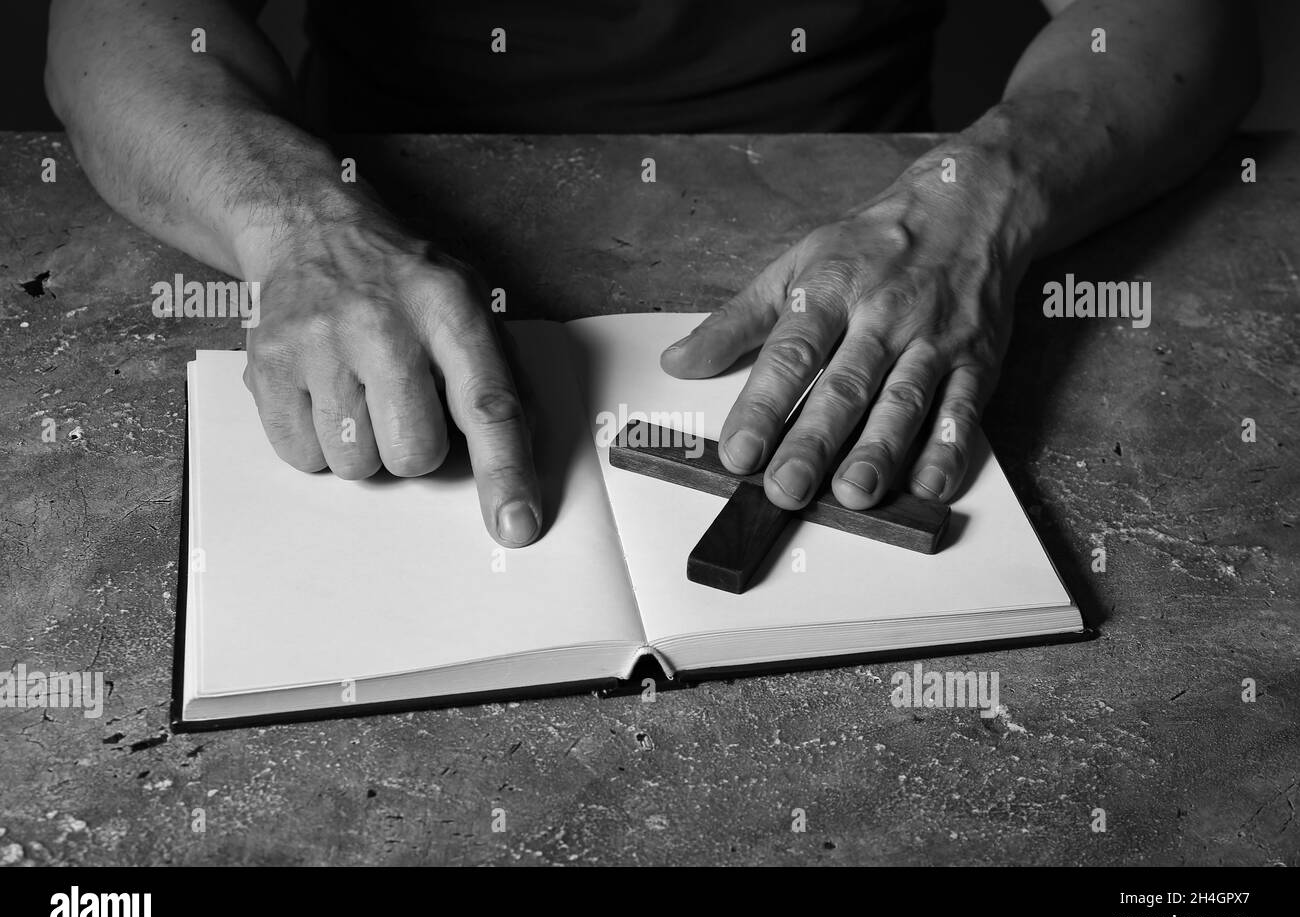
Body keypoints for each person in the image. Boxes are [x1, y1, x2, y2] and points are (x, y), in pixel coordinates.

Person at [46, 1, 1258, 547]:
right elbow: (111, 28)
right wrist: (300, 228)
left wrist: (973, 205)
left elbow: (1172, 24)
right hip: (374, 229)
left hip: (842, 227)